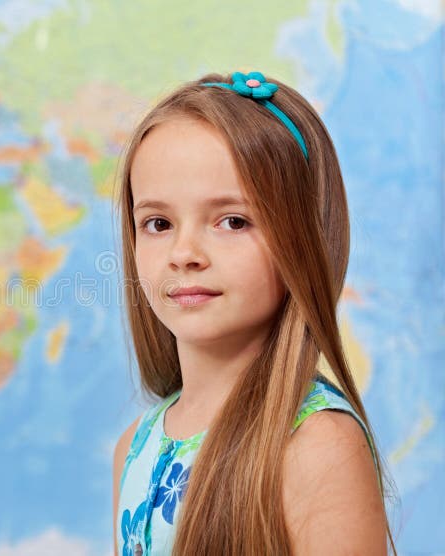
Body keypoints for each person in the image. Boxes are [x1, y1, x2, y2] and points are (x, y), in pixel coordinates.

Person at [111, 71, 399, 555]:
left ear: (300, 240)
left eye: (233, 221)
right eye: (158, 223)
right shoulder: (132, 448)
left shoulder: (317, 447)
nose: (184, 253)